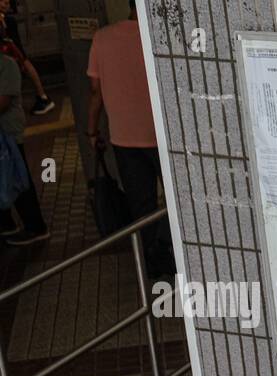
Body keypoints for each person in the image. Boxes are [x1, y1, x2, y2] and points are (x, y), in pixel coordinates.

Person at [87, 1, 172, 275]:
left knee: (142, 204)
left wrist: (92, 132)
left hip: (124, 139)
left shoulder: (102, 38)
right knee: (176, 198)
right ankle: (175, 251)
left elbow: (96, 93)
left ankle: (153, 261)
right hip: (164, 136)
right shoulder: (162, 35)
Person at [0, 51, 47, 244]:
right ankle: (6, 223)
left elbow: (3, 102)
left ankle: (35, 226)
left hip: (8, 131)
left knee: (18, 177)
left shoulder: (7, 64)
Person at [0, 1, 54, 116]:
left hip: (5, 23)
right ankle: (42, 96)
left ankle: (42, 97)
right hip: (6, 21)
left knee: (21, 59)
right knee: (20, 59)